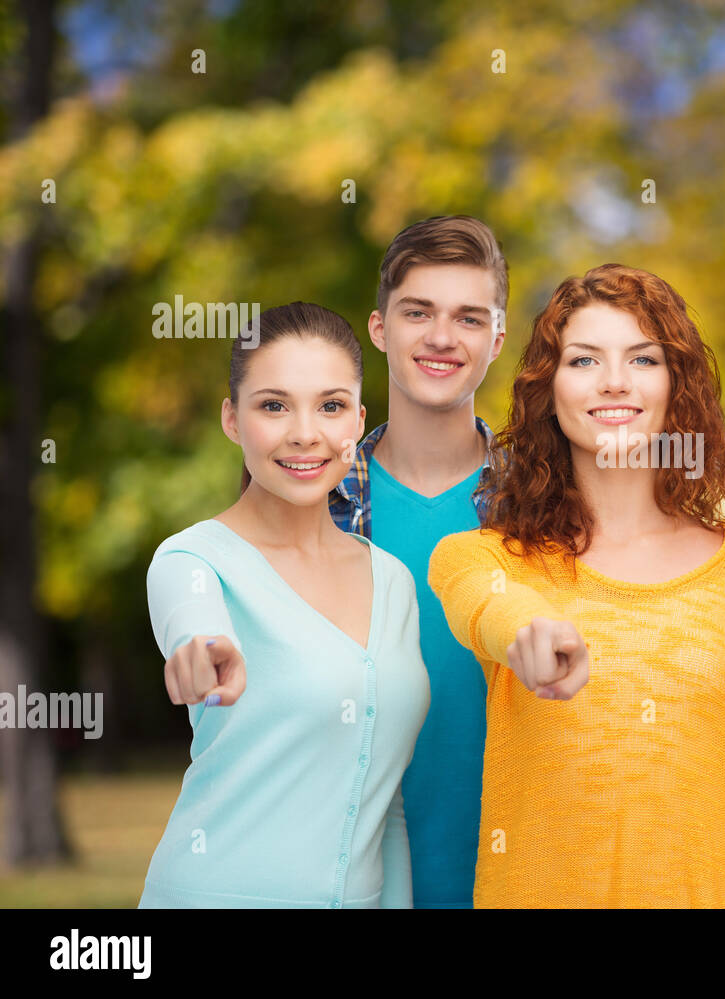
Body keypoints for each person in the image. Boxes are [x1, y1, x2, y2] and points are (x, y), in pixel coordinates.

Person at [429, 264, 725, 908]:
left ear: (676, 387)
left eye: (642, 359)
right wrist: (532, 631)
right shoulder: (485, 559)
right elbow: (491, 608)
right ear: (548, 392)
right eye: (584, 361)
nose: (614, 381)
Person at [160, 216, 509, 909]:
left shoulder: (544, 509)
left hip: (512, 880)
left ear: (497, 340)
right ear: (380, 329)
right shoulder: (309, 495)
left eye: (468, 317)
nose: (441, 337)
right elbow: (198, 602)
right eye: (418, 313)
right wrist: (197, 652)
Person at [140, 302, 429, 908]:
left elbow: (386, 801)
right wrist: (204, 653)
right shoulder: (192, 562)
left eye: (330, 405)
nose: (305, 432)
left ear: (358, 419)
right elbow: (195, 627)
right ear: (232, 419)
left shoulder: (395, 582)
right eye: (274, 405)